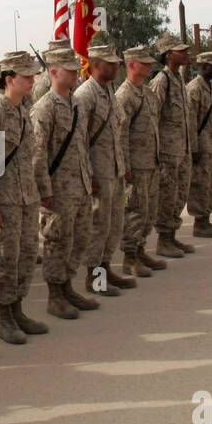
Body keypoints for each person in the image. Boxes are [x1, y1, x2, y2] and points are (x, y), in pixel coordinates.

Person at [0, 51, 48, 344]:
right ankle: (4, 318)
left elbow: (32, 156)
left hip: (27, 198)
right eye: (26, 75)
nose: (32, 80)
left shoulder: (23, 109)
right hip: (4, 201)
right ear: (9, 79)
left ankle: (18, 308)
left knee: (26, 256)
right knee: (6, 260)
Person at [32, 46, 96, 319]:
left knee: (78, 239)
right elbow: (37, 154)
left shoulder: (76, 104)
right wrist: (44, 191)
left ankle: (68, 286)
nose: (74, 74)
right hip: (57, 190)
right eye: (69, 70)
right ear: (53, 72)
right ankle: (55, 296)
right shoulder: (44, 108)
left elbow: (83, 145)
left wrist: (88, 178)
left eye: (75, 69)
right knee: (57, 241)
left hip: (79, 186)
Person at [74, 44, 136, 296]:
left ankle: (106, 268)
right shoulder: (85, 95)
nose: (115, 66)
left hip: (114, 168)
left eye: (116, 62)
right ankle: (94, 278)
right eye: (110, 63)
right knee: (98, 226)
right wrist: (88, 173)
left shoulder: (108, 91)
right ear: (96, 65)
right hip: (98, 171)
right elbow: (79, 139)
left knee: (113, 223)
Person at [114, 45, 164, 279]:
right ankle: (130, 257)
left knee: (148, 211)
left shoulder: (146, 92)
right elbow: (121, 134)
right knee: (134, 210)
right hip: (135, 165)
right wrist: (125, 167)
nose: (149, 66)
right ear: (132, 64)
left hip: (150, 162)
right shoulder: (124, 95)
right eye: (144, 63)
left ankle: (141, 249)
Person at [150, 40, 196, 259]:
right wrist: (156, 152)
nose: (186, 53)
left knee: (179, 194)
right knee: (167, 195)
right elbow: (153, 116)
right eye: (181, 51)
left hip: (182, 149)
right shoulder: (162, 81)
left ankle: (172, 235)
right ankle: (163, 240)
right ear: (168, 54)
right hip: (168, 152)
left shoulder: (178, 78)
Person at [186, 51, 212, 238]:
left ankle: (206, 218)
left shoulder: (210, 89)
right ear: (202, 66)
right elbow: (190, 122)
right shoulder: (194, 89)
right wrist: (193, 148)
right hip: (201, 146)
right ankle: (200, 222)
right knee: (200, 184)